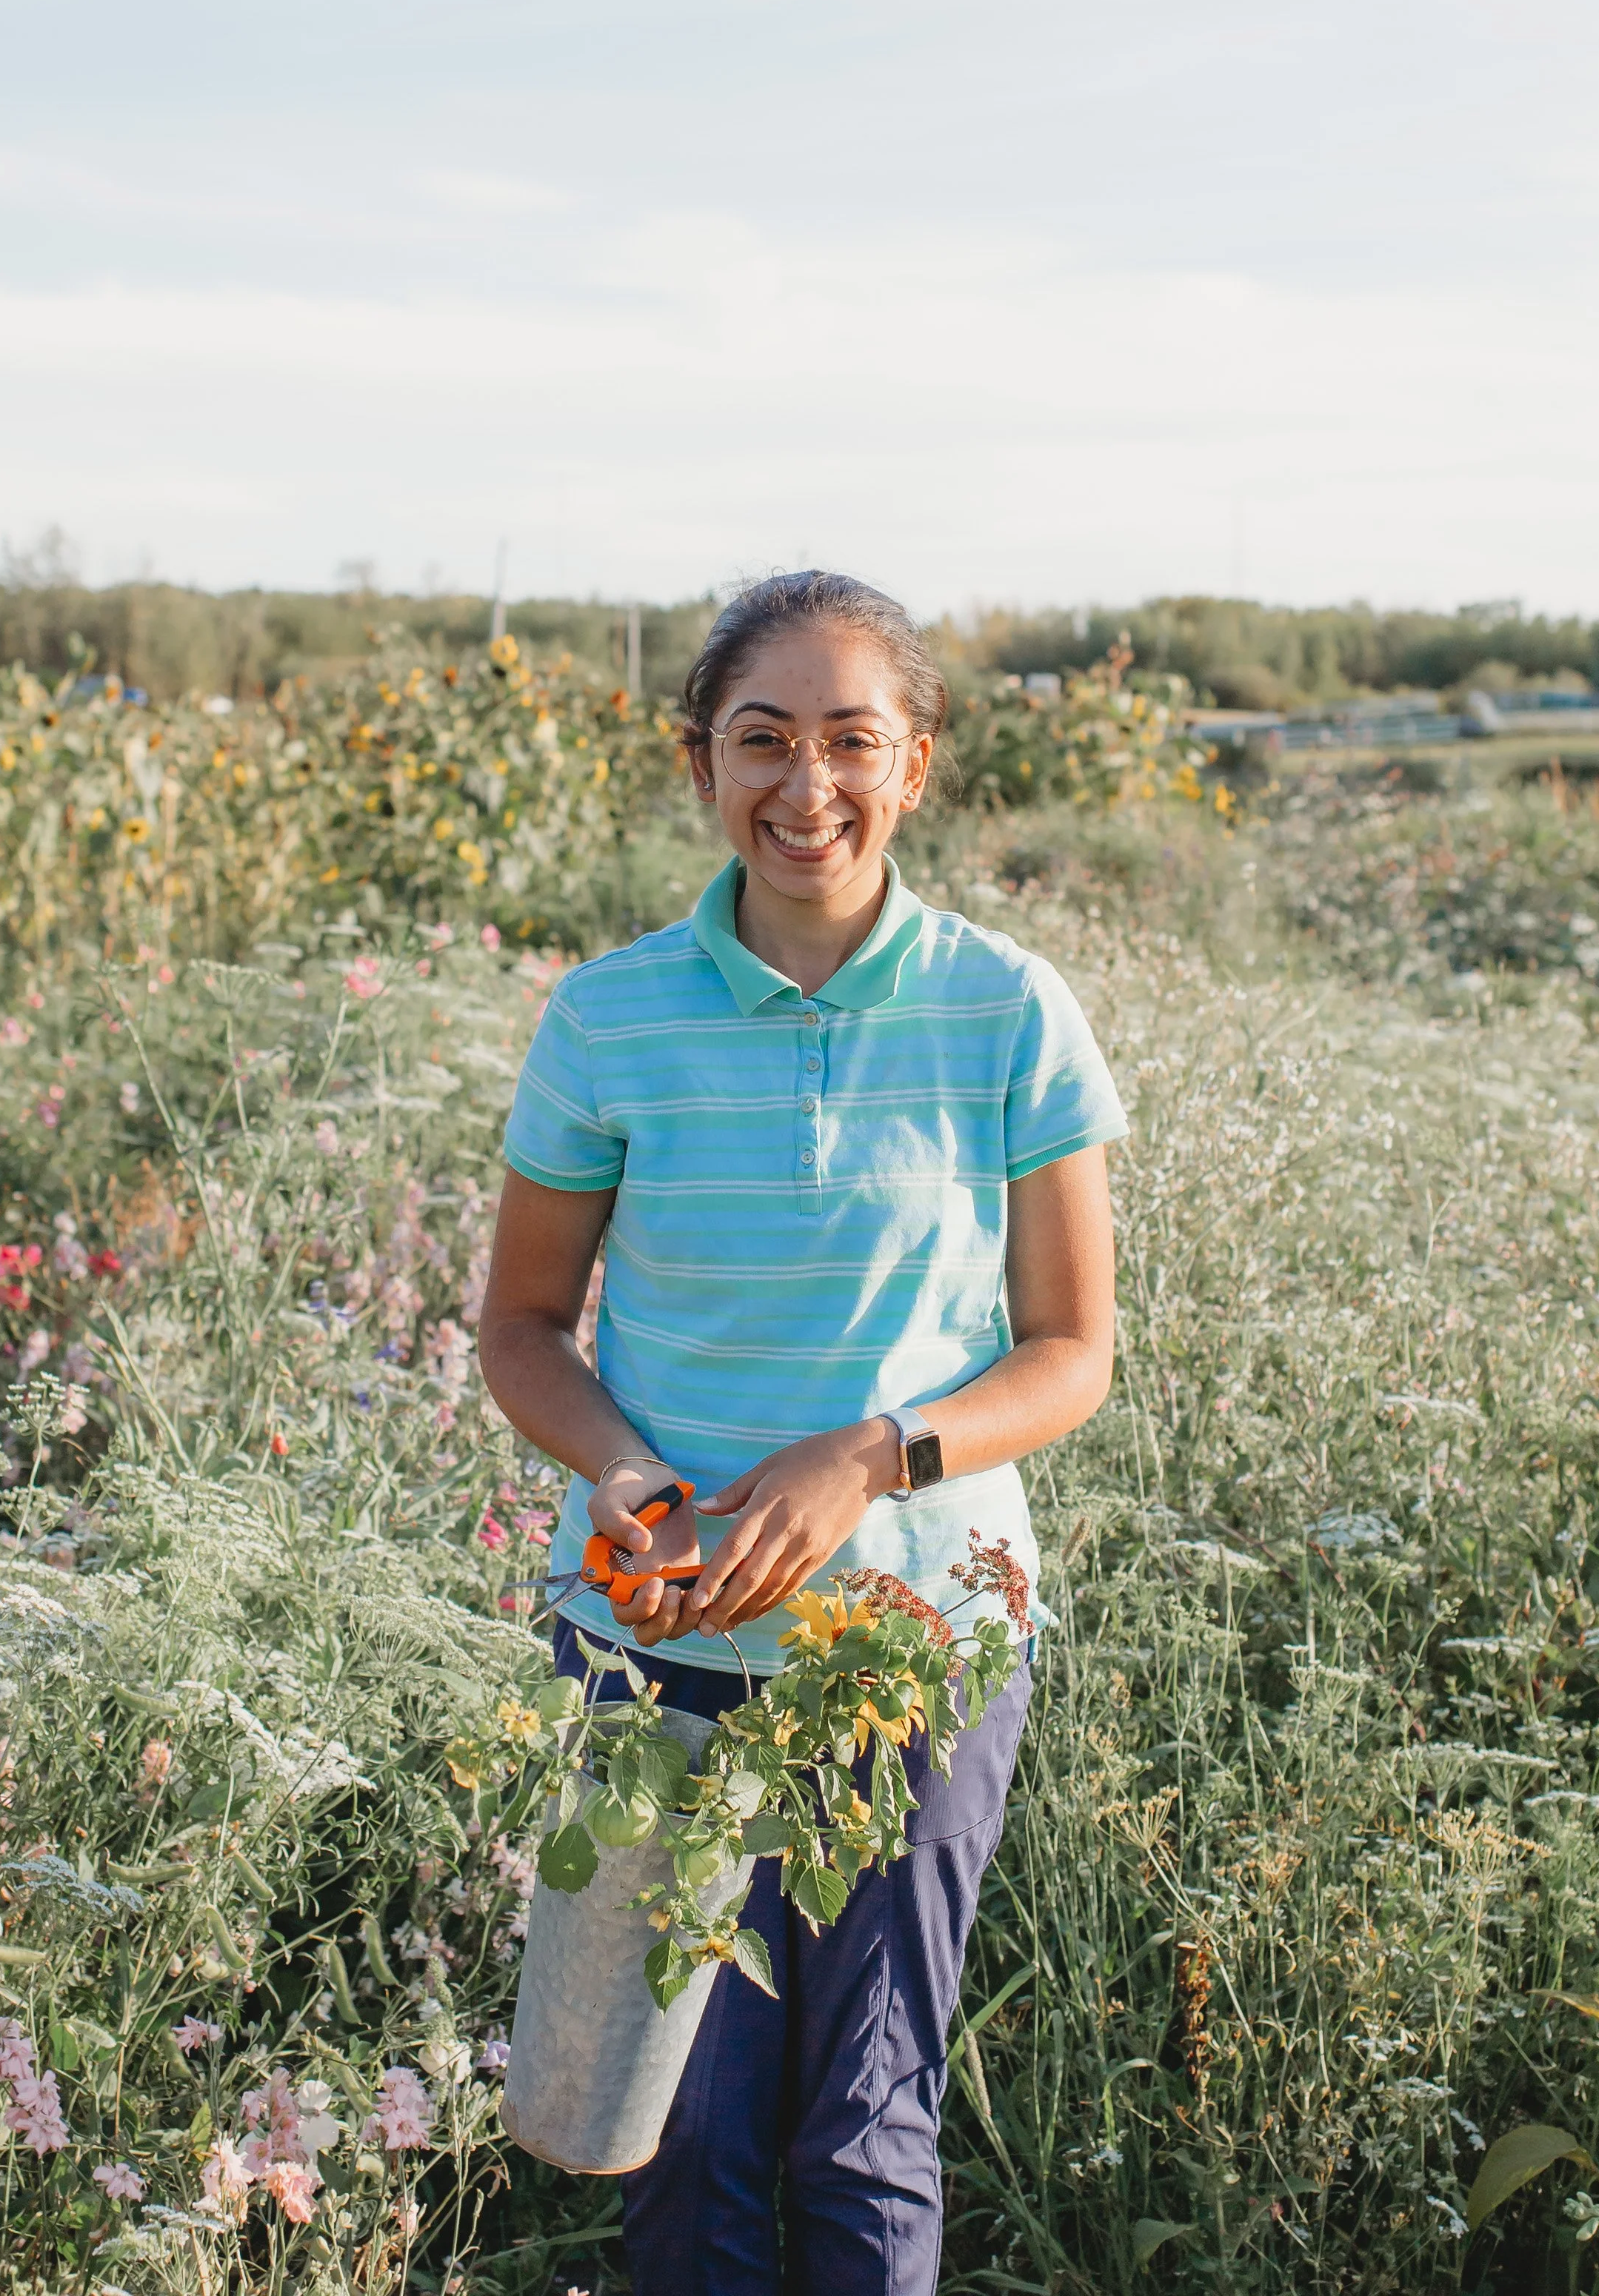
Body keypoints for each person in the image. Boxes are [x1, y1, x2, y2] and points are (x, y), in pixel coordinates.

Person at [478, 569, 1126, 2296]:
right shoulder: (606, 1017)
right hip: (650, 1633)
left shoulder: (1007, 1011)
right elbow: (523, 1328)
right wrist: (626, 1478)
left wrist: (871, 1454)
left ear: (915, 763)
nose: (805, 785)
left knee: (865, 2120)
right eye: (762, 739)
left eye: (852, 740)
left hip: (913, 1647)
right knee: (668, 2106)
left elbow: (1071, 1353)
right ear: (700, 762)